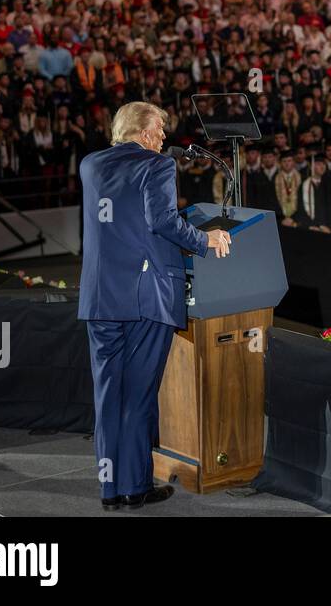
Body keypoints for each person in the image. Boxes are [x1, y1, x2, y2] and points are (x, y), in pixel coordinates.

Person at [79, 101, 231, 510]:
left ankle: (111, 489)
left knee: (109, 393)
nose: (164, 136)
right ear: (143, 131)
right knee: (139, 394)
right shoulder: (157, 165)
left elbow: (123, 220)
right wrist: (207, 240)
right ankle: (135, 486)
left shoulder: (90, 165)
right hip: (146, 297)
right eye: (160, 128)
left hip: (99, 298)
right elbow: (161, 220)